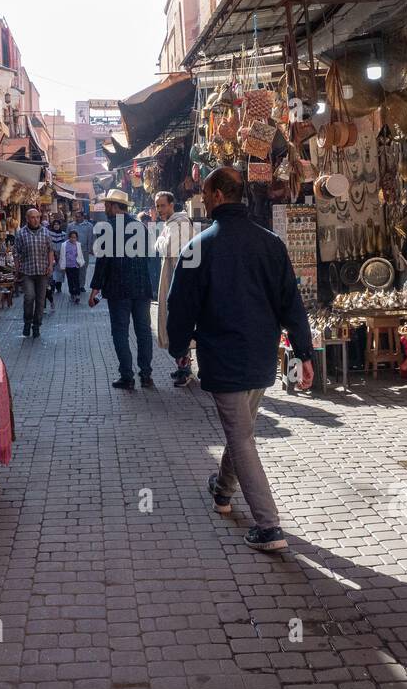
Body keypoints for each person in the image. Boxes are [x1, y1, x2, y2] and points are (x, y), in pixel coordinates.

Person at [166, 167, 314, 552]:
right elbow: (291, 302)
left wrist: (179, 348)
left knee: (241, 436)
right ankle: (221, 490)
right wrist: (303, 352)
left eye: (205, 191)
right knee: (241, 430)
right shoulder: (270, 243)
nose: (202, 196)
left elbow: (180, 307)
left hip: (223, 356)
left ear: (215, 196)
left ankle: (268, 527)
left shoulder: (199, 247)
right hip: (262, 356)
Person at [90, 188, 155, 389]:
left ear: (115, 206)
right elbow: (150, 258)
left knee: (120, 332)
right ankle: (146, 375)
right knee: (143, 331)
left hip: (119, 290)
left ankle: (127, 376)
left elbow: (103, 262)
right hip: (141, 288)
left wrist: (95, 290)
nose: (106, 208)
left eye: (108, 204)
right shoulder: (141, 227)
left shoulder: (107, 228)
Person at [154, 190, 195, 386]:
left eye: (162, 205)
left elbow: (166, 247)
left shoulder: (181, 223)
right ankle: (182, 367)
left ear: (172, 204)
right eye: (157, 206)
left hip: (181, 282)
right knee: (174, 323)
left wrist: (161, 242)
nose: (160, 209)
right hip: (171, 278)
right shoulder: (170, 224)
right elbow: (161, 246)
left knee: (181, 323)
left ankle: (185, 370)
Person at [14, 206, 53, 338]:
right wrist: (17, 269)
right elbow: (16, 253)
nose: (36, 220)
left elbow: (50, 250)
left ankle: (36, 326)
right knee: (29, 297)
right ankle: (27, 322)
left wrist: (50, 266)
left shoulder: (46, 233)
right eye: (32, 217)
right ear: (27, 219)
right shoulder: (21, 234)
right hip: (27, 272)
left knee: (41, 300)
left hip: (42, 272)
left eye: (37, 217)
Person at [70, 209, 96, 295]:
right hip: (72, 251)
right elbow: (67, 237)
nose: (77, 218)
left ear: (82, 217)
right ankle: (74, 285)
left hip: (84, 250)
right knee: (73, 268)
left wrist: (91, 249)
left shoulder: (89, 226)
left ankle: (81, 285)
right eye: (76, 217)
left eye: (78, 217)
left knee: (83, 269)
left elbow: (92, 238)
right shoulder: (71, 226)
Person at [61, 229, 86, 302]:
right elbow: (62, 255)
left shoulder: (78, 244)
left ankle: (77, 294)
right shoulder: (64, 245)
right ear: (69, 237)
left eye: (74, 237)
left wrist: (80, 262)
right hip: (68, 266)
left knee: (76, 280)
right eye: (71, 237)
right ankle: (72, 293)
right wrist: (62, 266)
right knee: (70, 280)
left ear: (77, 238)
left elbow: (80, 255)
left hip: (76, 265)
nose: (73, 239)